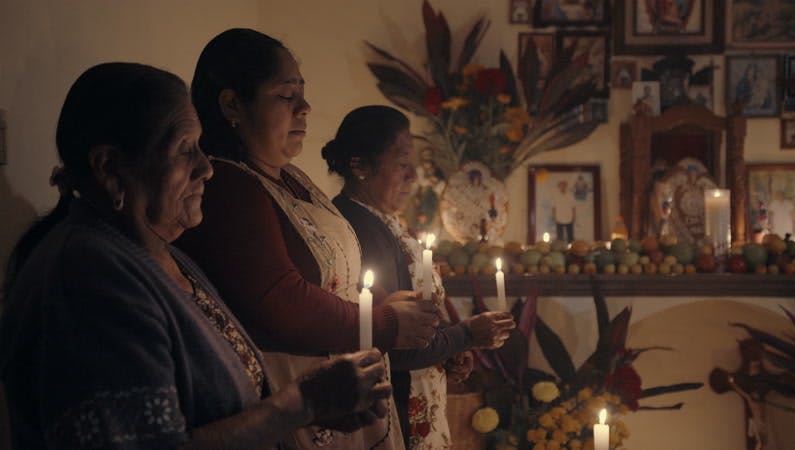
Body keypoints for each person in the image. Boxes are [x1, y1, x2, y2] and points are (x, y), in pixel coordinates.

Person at [0, 62, 393, 450]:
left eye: (201, 147)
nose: (206, 168)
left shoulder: (157, 254)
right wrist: (301, 403)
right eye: (184, 149)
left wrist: (305, 411)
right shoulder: (87, 278)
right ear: (109, 168)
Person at [176, 29, 439, 449]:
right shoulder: (227, 184)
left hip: (339, 388)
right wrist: (384, 323)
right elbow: (281, 299)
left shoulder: (291, 177)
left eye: (303, 92)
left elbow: (336, 276)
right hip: (298, 400)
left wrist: (385, 301)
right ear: (231, 104)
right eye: (286, 95)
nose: (305, 107)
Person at [323, 106, 516, 449]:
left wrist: (448, 347)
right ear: (360, 166)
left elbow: (416, 321)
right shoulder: (361, 231)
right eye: (401, 163)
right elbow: (391, 346)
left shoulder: (382, 220)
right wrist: (466, 335)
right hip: (390, 412)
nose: (413, 175)